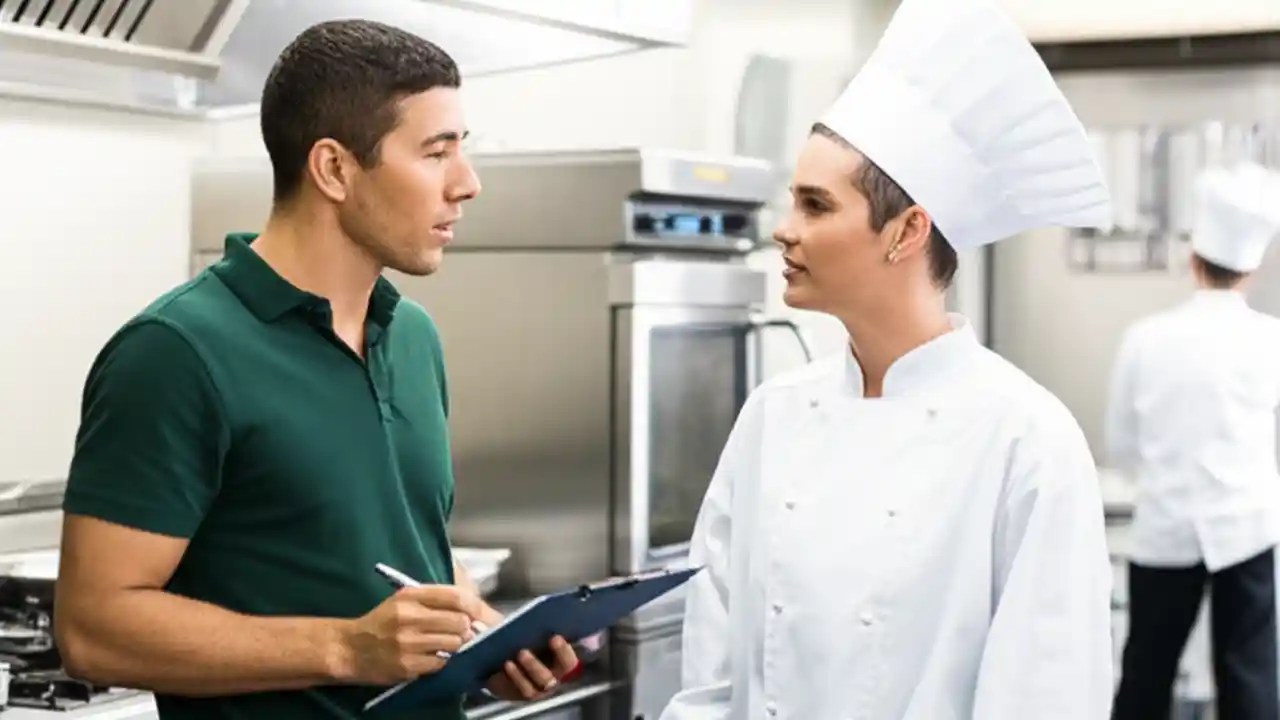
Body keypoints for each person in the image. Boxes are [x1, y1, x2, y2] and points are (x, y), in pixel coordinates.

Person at [53, 19, 578, 720]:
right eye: (435, 153)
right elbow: (94, 630)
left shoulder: (413, 336)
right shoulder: (174, 352)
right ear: (333, 168)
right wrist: (348, 648)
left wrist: (487, 638)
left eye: (463, 150)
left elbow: (407, 546)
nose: (468, 183)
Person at [660, 0, 1117, 717]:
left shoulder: (1026, 438)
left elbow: (1044, 695)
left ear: (905, 232)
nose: (784, 231)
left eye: (816, 206)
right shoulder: (772, 417)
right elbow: (711, 676)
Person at [1108, 162, 1280, 720]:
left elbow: (1121, 443)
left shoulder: (1146, 338)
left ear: (1193, 260)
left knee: (1146, 673)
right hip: (1248, 527)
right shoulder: (1271, 339)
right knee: (1250, 676)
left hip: (1165, 526)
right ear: (1250, 271)